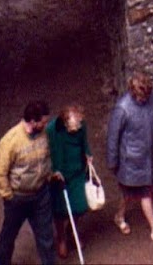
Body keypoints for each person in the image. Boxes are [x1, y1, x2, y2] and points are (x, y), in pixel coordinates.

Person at [106, 71, 153, 248]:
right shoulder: (122, 108)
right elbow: (113, 137)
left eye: (146, 96)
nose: (144, 100)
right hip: (130, 161)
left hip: (147, 157)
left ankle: (119, 216)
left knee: (130, 192)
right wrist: (113, 162)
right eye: (140, 97)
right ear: (132, 92)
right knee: (143, 193)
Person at [0, 99, 61, 265]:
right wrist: (8, 196)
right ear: (32, 121)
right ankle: (1, 262)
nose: (46, 125)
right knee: (9, 235)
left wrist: (50, 175)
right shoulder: (10, 141)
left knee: (46, 236)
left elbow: (46, 159)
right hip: (18, 198)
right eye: (43, 122)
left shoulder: (43, 134)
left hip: (41, 194)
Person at [48, 102, 96, 261]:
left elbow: (84, 143)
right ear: (65, 122)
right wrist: (53, 171)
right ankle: (61, 237)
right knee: (60, 210)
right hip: (59, 175)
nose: (77, 129)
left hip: (77, 172)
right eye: (73, 127)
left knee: (80, 206)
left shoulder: (81, 125)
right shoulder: (52, 129)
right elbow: (46, 150)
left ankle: (71, 231)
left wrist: (88, 154)